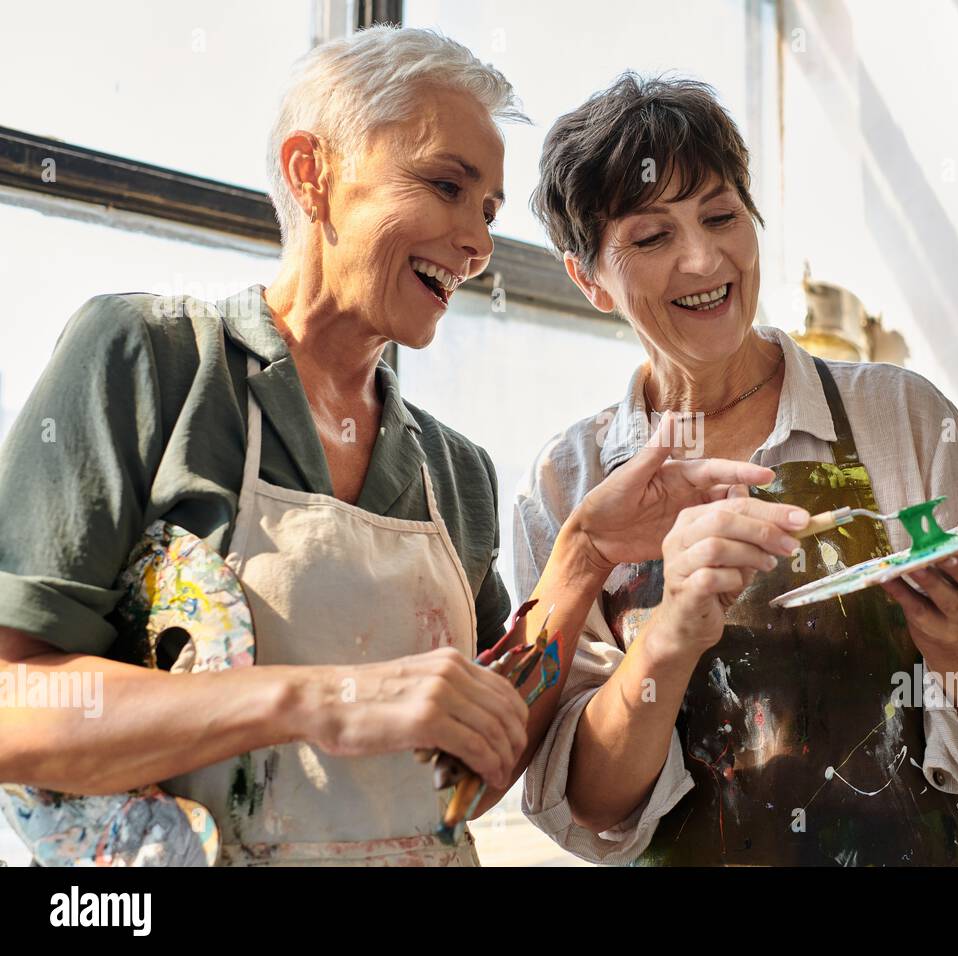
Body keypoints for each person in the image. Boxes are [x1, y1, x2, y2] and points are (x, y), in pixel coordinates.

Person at [0, 30, 780, 867]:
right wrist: (322, 699)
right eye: (446, 186)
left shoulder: (456, 473)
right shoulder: (150, 361)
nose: (477, 244)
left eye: (487, 211)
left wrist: (584, 552)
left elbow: (475, 771)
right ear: (313, 174)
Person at [515, 74, 958, 865]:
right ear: (587, 278)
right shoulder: (567, 486)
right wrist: (668, 639)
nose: (703, 258)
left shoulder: (901, 416)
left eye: (720, 216)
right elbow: (594, 809)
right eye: (650, 238)